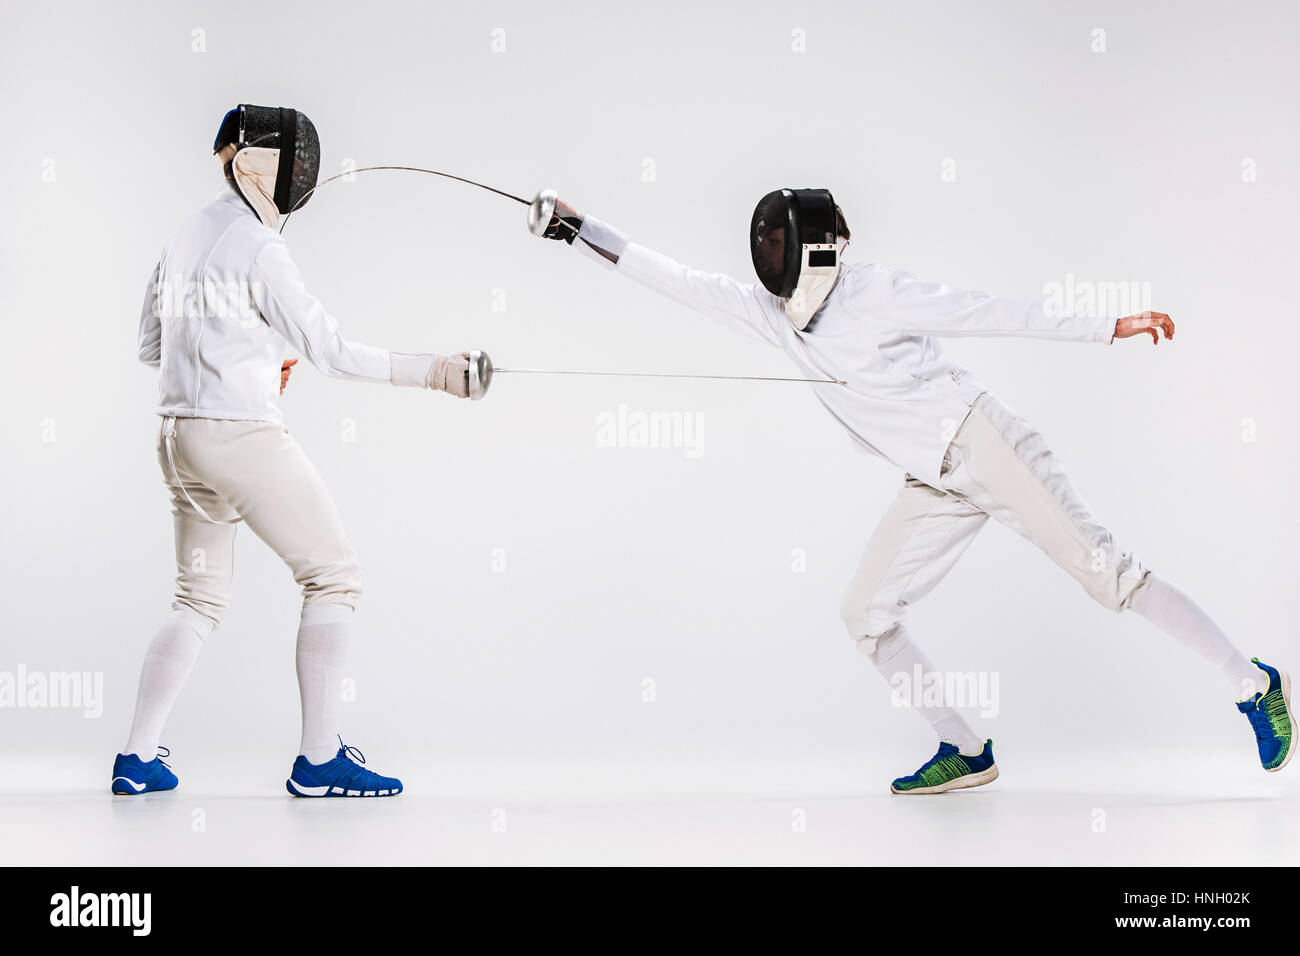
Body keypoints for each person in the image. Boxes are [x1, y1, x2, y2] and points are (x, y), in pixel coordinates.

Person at [532, 188, 1293, 794]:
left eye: (781, 242)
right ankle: (964, 747)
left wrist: (1107, 325)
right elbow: (677, 281)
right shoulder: (775, 319)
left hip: (984, 445)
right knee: (864, 614)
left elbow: (989, 310)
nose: (771, 255)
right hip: (934, 480)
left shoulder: (874, 291)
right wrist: (578, 227)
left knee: (1111, 579)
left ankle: (1253, 683)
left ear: (815, 245)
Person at [115, 104, 477, 798]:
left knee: (197, 600)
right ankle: (318, 758)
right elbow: (333, 353)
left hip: (178, 439)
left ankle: (136, 758)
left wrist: (255, 354)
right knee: (333, 576)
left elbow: (151, 349)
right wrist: (437, 371)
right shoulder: (261, 249)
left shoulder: (186, 233)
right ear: (265, 165)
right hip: (238, 436)